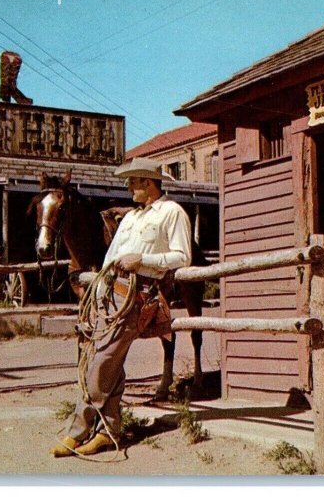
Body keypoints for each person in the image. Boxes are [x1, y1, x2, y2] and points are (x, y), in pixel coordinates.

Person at [51, 157, 194, 457]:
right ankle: (109, 431)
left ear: (149, 183)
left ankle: (77, 430)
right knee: (104, 361)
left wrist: (144, 260)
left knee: (102, 362)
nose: (129, 187)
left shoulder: (172, 213)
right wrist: (99, 294)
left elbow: (182, 256)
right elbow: (110, 258)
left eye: (134, 182)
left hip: (139, 294)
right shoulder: (130, 218)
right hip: (111, 293)